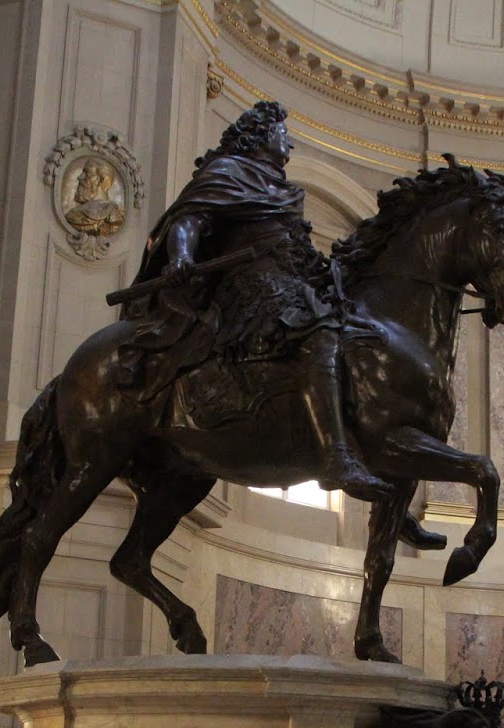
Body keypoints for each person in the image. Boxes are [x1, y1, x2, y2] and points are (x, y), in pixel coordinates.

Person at [118, 99, 389, 502]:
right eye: (284, 134)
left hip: (288, 283)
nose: (290, 144)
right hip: (247, 288)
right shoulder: (227, 173)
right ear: (260, 135)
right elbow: (189, 220)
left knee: (361, 331)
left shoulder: (279, 188)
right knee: (321, 330)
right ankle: (335, 458)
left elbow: (295, 250)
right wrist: (181, 257)